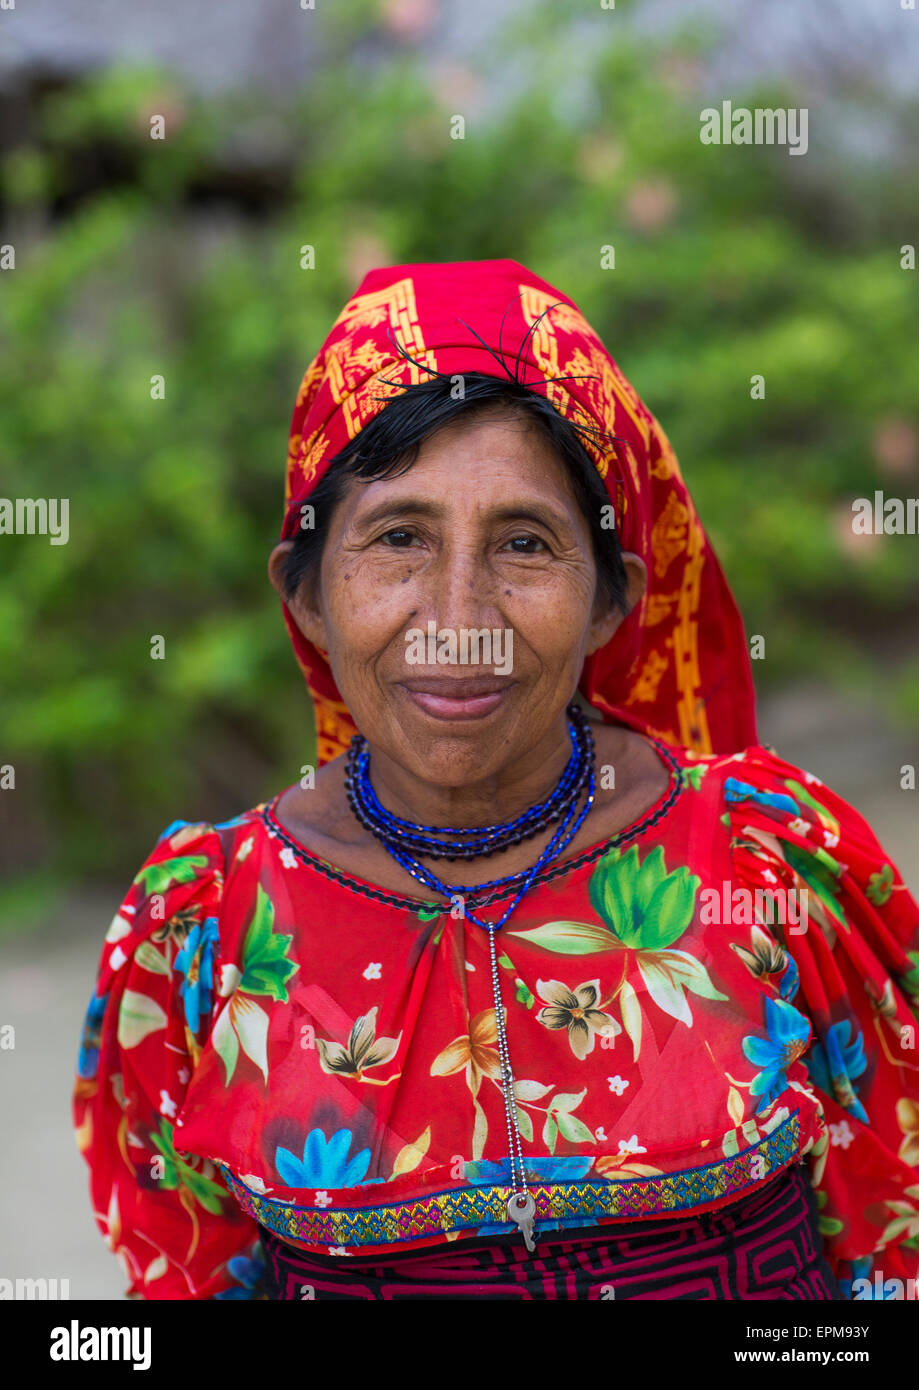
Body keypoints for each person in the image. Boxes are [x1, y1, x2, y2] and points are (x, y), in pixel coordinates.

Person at [73, 258, 919, 1300]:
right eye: (398, 540)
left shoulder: (773, 863)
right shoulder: (202, 934)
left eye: (524, 542)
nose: (459, 614)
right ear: (304, 597)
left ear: (612, 600)